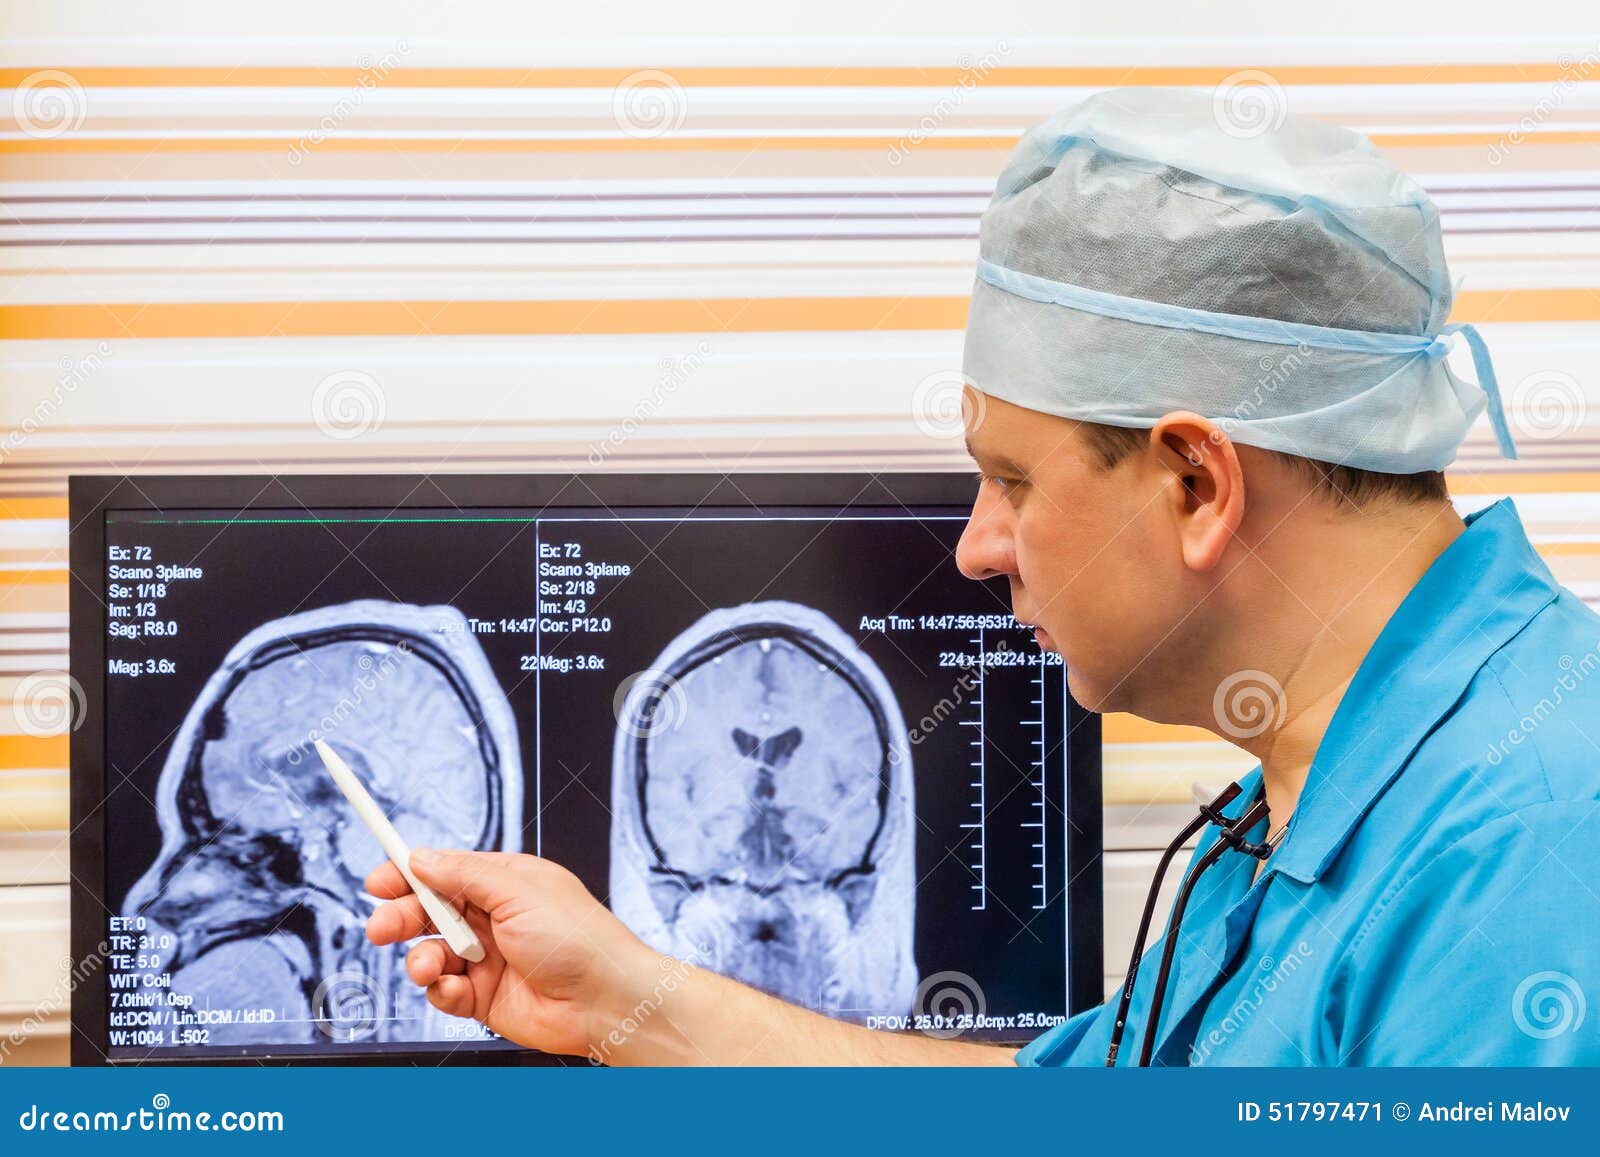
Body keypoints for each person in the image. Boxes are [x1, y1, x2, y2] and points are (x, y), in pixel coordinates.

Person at [365, 87, 1600, 1065]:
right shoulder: (1328, 801)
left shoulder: (1529, 850)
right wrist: (627, 1000)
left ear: (1194, 486)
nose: (974, 544)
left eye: (1010, 478)